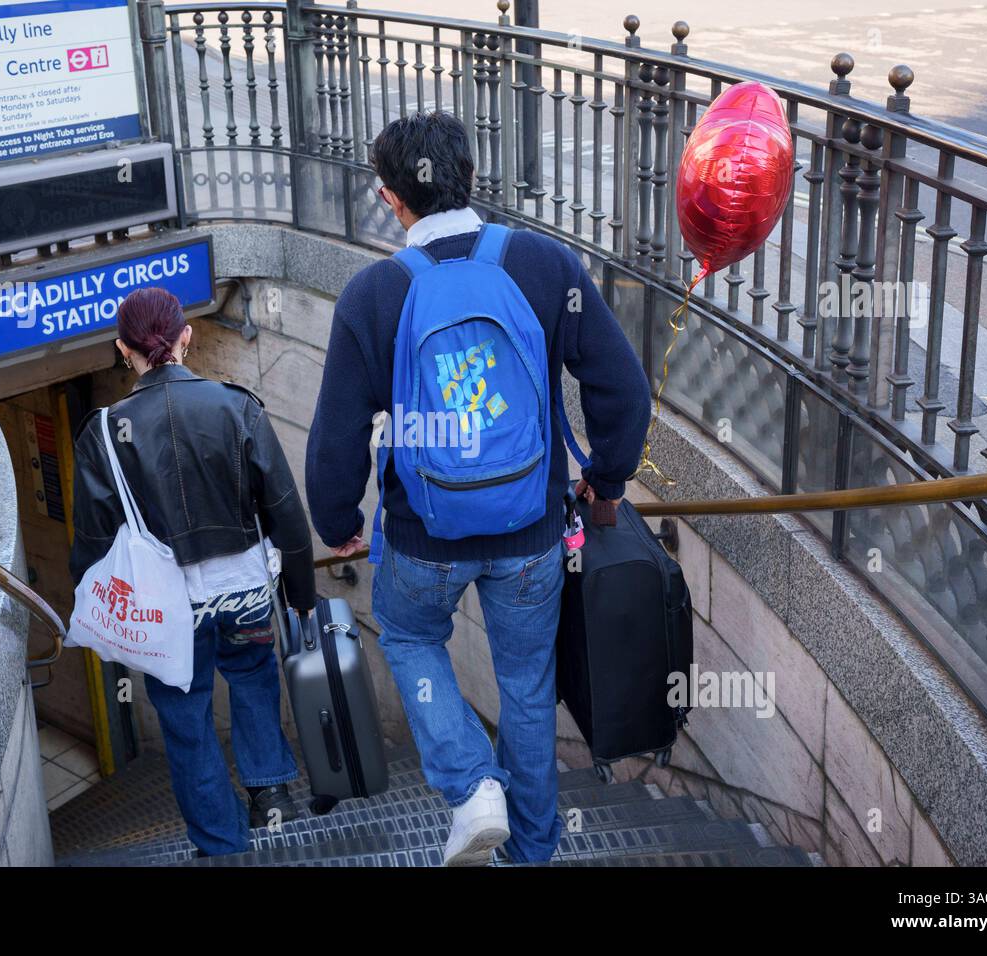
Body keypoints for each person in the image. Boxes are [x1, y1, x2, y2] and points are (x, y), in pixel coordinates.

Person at [305, 112, 650, 865]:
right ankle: (531, 852)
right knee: (527, 688)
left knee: (408, 633)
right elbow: (622, 386)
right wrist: (608, 479)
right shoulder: (544, 266)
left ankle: (469, 786)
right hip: (531, 533)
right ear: (471, 179)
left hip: (424, 536)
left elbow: (336, 436)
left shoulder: (373, 295)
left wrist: (337, 520)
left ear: (391, 199)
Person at [69, 286, 315, 856]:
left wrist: (94, 607)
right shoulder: (237, 407)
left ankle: (220, 841)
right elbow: (286, 512)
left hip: (166, 609)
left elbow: (93, 542)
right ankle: (270, 792)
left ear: (122, 350)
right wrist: (299, 591)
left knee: (184, 717)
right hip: (246, 592)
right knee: (253, 677)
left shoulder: (103, 434)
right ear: (186, 337)